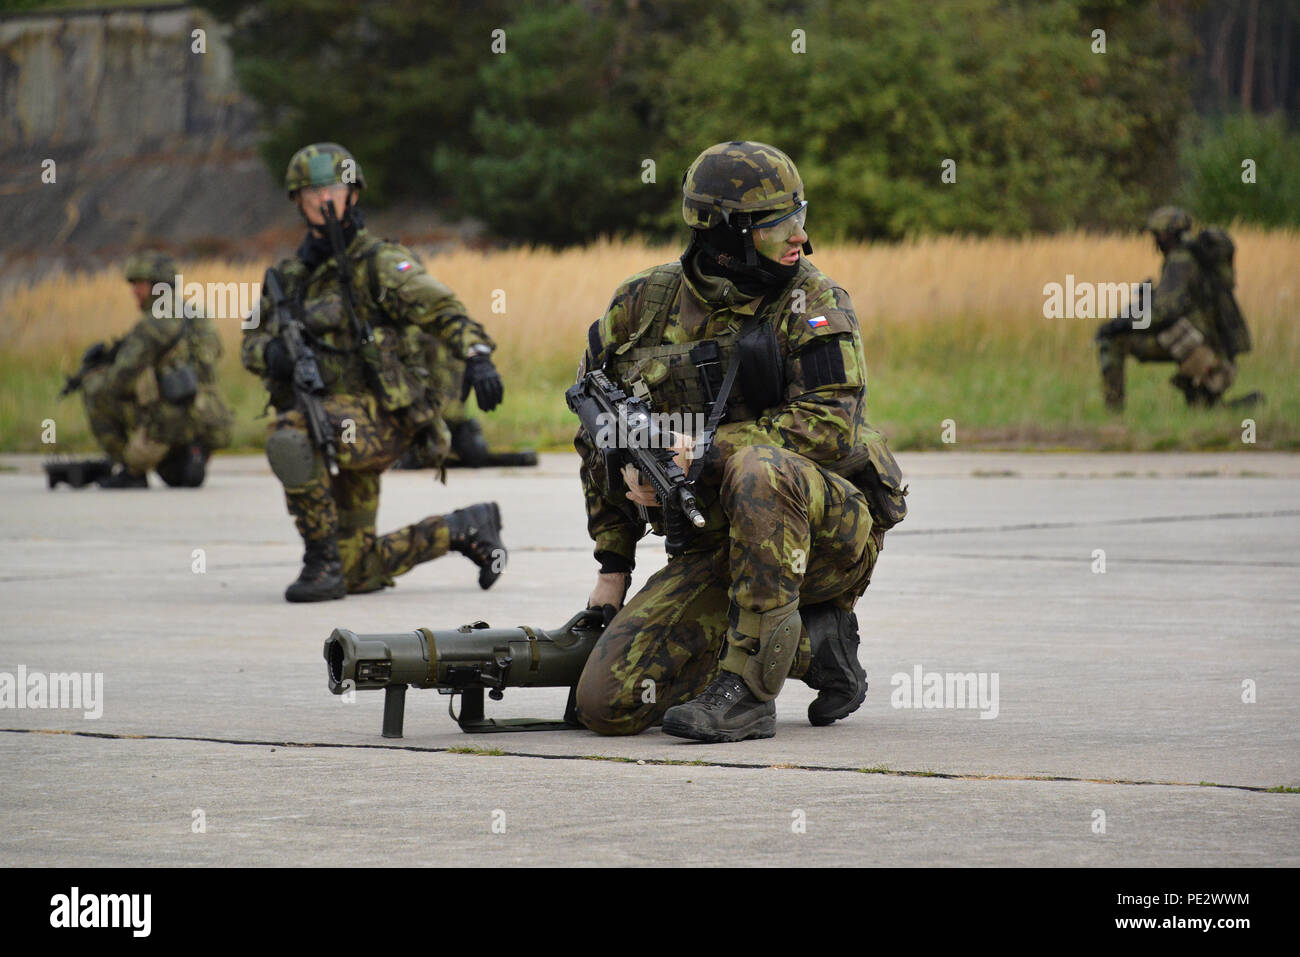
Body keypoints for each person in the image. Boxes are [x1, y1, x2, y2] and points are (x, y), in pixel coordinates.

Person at [573, 141, 906, 743]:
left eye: (801, 216)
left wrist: (701, 450)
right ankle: (817, 645)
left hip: (824, 537)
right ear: (725, 233)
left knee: (757, 467)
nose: (800, 237)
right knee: (606, 704)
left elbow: (832, 423)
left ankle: (749, 697)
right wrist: (612, 566)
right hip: (716, 547)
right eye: (780, 225)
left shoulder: (815, 300)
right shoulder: (640, 305)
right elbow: (598, 429)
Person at [241, 142, 508, 603]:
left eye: (332, 191)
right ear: (298, 202)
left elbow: (442, 308)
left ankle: (319, 561)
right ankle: (462, 528)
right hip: (329, 422)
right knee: (358, 571)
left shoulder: (379, 263)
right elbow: (250, 342)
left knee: (287, 435)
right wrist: (273, 356)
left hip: (383, 419)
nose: (322, 201)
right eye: (311, 194)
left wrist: (478, 355)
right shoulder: (286, 280)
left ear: (352, 195)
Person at [64, 250, 232, 489]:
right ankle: (186, 454)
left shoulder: (153, 325)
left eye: (139, 285)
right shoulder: (197, 317)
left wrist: (97, 371)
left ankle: (131, 468)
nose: (134, 291)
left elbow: (119, 380)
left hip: (168, 423)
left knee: (95, 387)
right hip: (208, 419)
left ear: (157, 286)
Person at [1095, 206, 1258, 411]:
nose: (1155, 241)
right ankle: (1250, 406)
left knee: (1112, 340)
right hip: (1212, 346)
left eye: (1156, 235)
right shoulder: (1197, 257)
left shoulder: (1180, 261)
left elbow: (1164, 313)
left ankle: (1113, 413)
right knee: (1203, 411)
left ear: (1166, 235)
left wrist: (1122, 324)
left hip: (1201, 346)